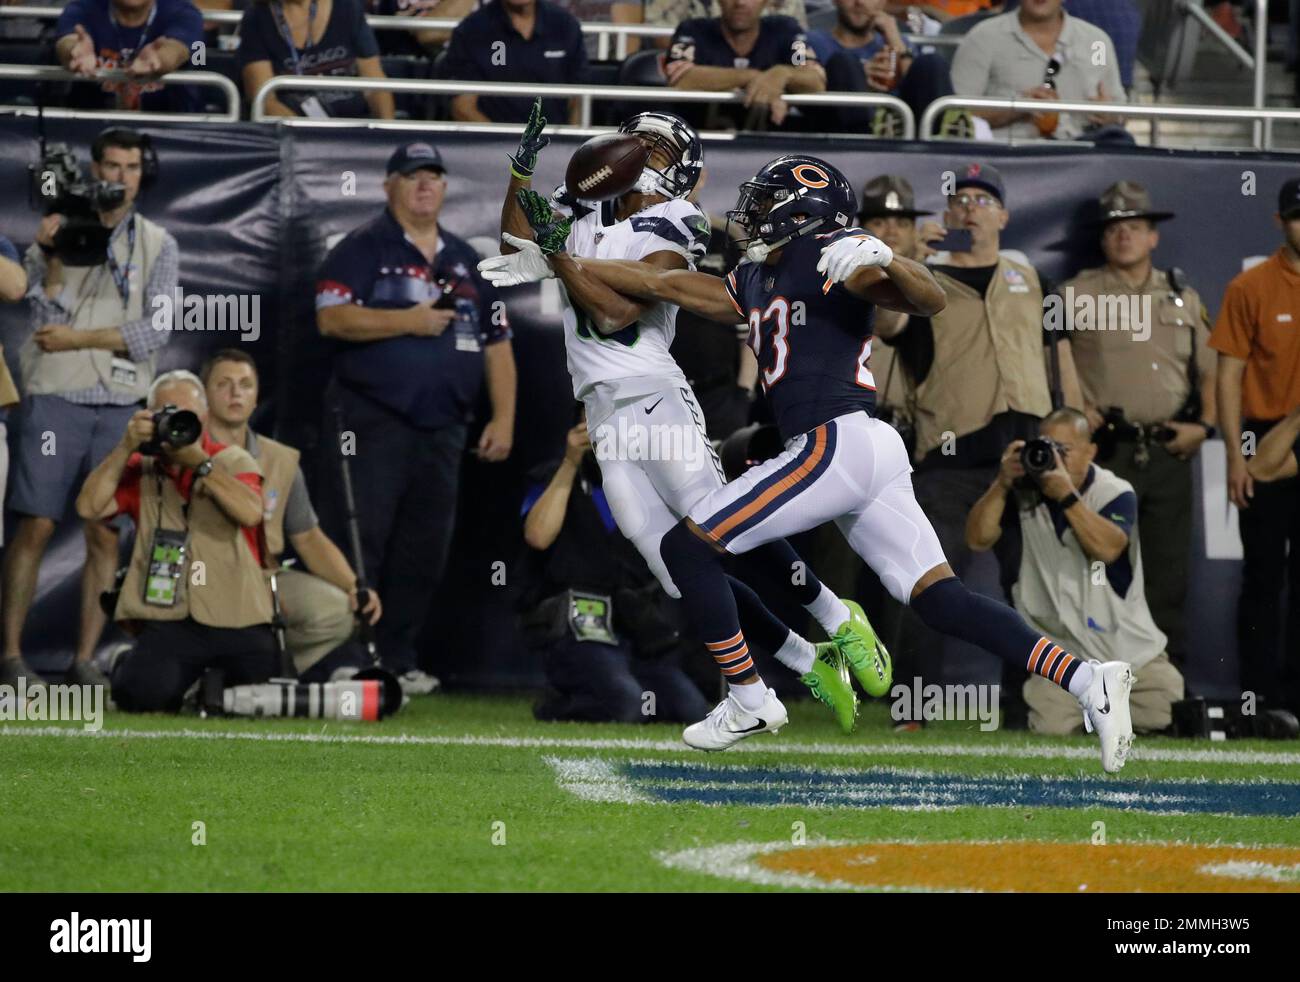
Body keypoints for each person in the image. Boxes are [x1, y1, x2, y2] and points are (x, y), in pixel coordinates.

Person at [490, 153, 1138, 772]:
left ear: (803, 209)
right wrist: (560, 260)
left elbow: (927, 300)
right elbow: (662, 283)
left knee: (689, 548)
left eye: (770, 201)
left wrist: (889, 255)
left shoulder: (832, 254)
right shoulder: (758, 275)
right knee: (939, 599)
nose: (755, 213)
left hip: (837, 441)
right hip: (862, 449)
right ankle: (1088, 678)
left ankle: (748, 696)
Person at [490, 103, 874, 732]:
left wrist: (557, 256)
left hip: (652, 398)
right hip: (603, 412)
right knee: (677, 575)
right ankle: (798, 664)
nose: (640, 157)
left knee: (726, 529)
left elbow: (615, 313)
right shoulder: (589, 210)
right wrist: (521, 174)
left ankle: (834, 616)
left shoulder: (678, 219)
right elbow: (515, 241)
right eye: (634, 144)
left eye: (657, 151)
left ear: (684, 172)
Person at [315, 141, 516, 694]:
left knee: (423, 549)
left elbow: (498, 342)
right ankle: (352, 655)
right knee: (363, 541)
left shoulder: (464, 257)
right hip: (373, 421)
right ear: (389, 185)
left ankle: (399, 657)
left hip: (446, 426)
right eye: (412, 176)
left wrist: (504, 417)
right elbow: (331, 319)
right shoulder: (361, 247)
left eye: (433, 176)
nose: (425, 185)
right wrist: (407, 322)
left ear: (445, 187)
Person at [884, 161, 1080, 716]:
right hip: (951, 454)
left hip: (1027, 453)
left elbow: (1056, 357)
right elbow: (884, 327)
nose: (970, 207)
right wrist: (910, 261)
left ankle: (1032, 706)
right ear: (946, 215)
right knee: (929, 581)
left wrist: (1074, 429)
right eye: (961, 199)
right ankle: (913, 707)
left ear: (1004, 215)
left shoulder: (1031, 280)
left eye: (982, 198)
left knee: (1033, 586)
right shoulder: (923, 280)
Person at [4, 128, 176, 691]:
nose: (120, 176)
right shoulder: (60, 224)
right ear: (94, 169)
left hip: (123, 404)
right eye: (111, 165)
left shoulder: (158, 242)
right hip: (56, 394)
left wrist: (81, 339)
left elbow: (156, 332)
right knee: (36, 523)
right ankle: (10, 657)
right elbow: (34, 307)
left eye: (130, 167)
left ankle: (84, 659)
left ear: (139, 175)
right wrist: (49, 254)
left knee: (104, 530)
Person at [1061, 181, 1216, 667]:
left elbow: (1212, 369)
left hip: (1170, 449)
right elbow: (1053, 365)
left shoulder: (1183, 297)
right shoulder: (1075, 294)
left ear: (1153, 237)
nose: (1123, 236)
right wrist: (1074, 417)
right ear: (1102, 240)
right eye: (1114, 229)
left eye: (1134, 227)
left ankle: (1164, 690)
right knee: (1101, 569)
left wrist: (1206, 427)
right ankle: (1095, 680)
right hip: (1104, 450)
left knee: (1168, 573)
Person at [966, 408, 1185, 735]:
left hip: (1127, 651)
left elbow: (1108, 548)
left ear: (1091, 452)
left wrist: (1065, 495)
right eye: (1046, 447)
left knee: (1168, 715)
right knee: (1052, 728)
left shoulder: (1114, 491)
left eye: (1064, 450)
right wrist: (1001, 483)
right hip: (1060, 656)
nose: (1054, 458)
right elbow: (977, 539)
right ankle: (1094, 716)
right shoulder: (1022, 489)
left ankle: (1103, 713)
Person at [74, 370, 276, 712]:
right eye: (165, 415)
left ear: (205, 418)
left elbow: (250, 512)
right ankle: (135, 665)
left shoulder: (233, 459)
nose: (176, 426)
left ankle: (201, 683)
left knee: (262, 699)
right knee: (140, 697)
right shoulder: (142, 467)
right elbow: (89, 507)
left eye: (186, 416)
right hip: (170, 618)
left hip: (237, 613)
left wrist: (200, 464)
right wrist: (125, 447)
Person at [201, 348, 381, 680]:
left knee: (337, 611)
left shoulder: (281, 460)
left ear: (256, 398)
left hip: (263, 577)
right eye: (223, 384)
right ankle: (195, 672)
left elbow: (309, 537)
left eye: (245, 385)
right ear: (205, 397)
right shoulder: (187, 453)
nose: (235, 393)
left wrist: (355, 586)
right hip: (199, 576)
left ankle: (260, 673)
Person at [519, 415, 713, 724]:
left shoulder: (648, 486)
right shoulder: (555, 476)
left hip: (637, 632)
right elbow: (538, 536)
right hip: (580, 627)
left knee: (692, 711)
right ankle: (558, 705)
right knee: (627, 704)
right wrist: (569, 464)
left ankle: (623, 688)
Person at [1210, 177, 1300, 717]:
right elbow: (1228, 375)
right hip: (1266, 437)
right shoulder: (1252, 287)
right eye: (1297, 216)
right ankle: (1260, 700)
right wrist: (1234, 456)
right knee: (1264, 577)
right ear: (1279, 222)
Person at [950, 0, 1125, 142]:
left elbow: (1121, 111)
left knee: (1122, 142)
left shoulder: (1096, 43)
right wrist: (1017, 108)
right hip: (1007, 154)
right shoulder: (983, 37)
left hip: (1083, 152)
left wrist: (1109, 116)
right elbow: (954, 114)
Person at [664, 0, 826, 129]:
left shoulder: (785, 31)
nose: (740, 2)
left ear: (765, 2)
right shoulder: (693, 30)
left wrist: (783, 74)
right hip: (702, 143)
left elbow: (815, 80)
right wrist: (756, 78)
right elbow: (680, 78)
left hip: (771, 146)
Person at [808, 0, 955, 134]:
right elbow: (802, 81)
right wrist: (860, 76)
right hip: (844, 132)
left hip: (909, 131)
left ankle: (946, 135)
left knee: (931, 62)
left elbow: (922, 88)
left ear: (882, 3)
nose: (859, 2)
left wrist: (896, 43)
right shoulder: (811, 41)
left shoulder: (900, 43)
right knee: (844, 62)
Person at [238, 0, 394, 119]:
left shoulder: (348, 7)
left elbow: (375, 82)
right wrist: (311, 138)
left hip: (353, 127)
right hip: (295, 138)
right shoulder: (256, 18)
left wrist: (388, 133)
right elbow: (265, 99)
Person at [443, 0, 587, 124]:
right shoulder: (470, 31)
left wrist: (569, 148)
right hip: (491, 148)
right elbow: (463, 108)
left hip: (555, 145)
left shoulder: (566, 26)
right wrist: (510, 148)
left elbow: (578, 101)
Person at [55, 0, 205, 112]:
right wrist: (73, 52)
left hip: (167, 126)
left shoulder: (183, 12)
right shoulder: (82, 8)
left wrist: (160, 59)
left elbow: (177, 48)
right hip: (94, 124)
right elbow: (68, 40)